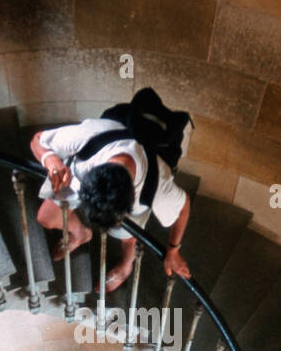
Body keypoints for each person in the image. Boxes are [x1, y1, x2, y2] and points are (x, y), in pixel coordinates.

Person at [29, 116, 192, 292]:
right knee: (47, 218)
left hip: (129, 200)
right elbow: (38, 140)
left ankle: (125, 266)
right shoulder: (92, 136)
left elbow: (184, 207)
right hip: (77, 176)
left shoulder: (158, 182)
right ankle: (80, 234)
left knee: (129, 238)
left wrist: (173, 250)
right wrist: (50, 159)